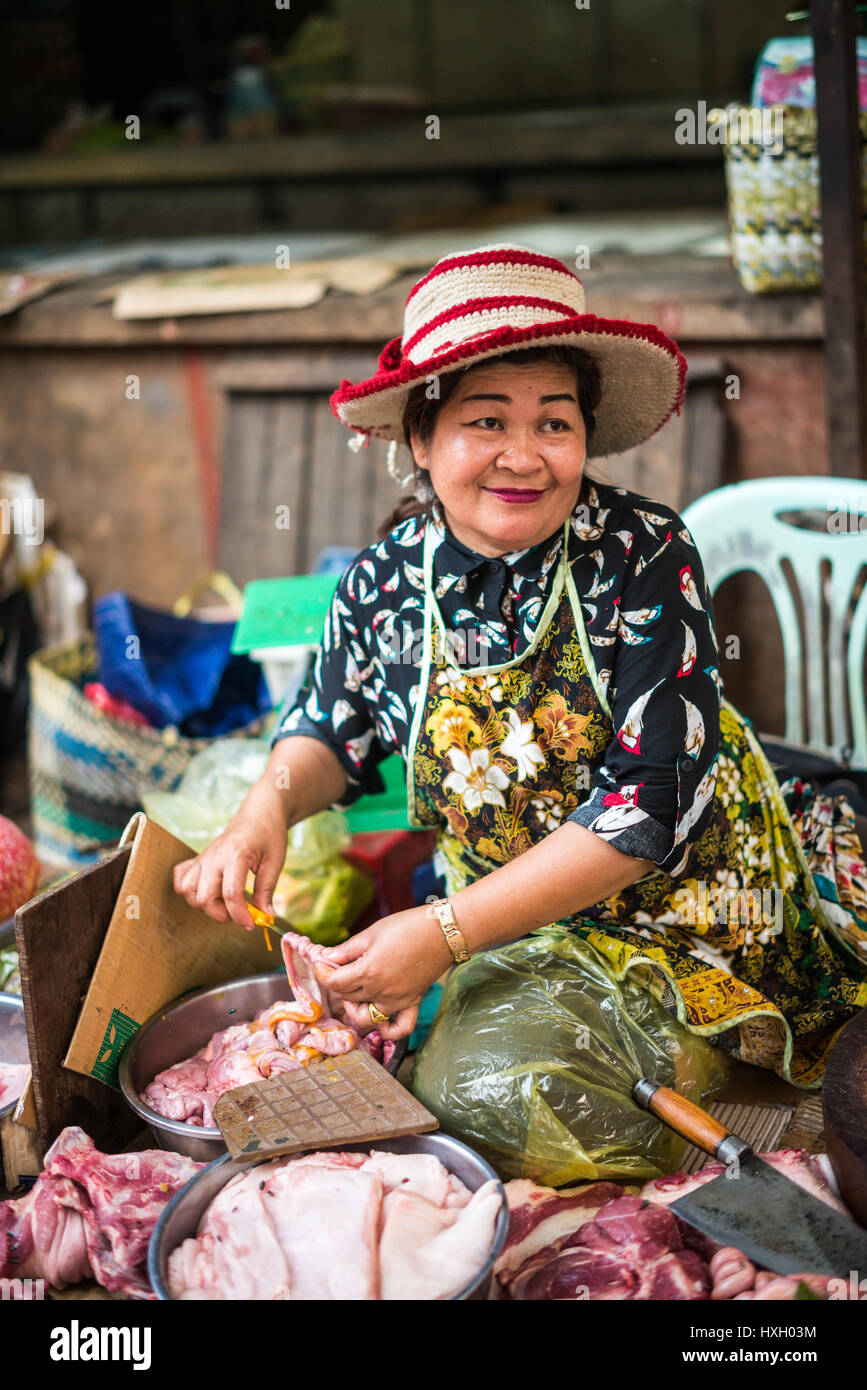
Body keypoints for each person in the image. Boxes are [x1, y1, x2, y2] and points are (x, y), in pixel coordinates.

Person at [174, 243, 867, 1089]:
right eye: (486, 419)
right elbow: (329, 723)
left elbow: (648, 805)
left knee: (499, 1093)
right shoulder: (383, 581)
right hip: (504, 921)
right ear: (421, 439)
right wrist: (262, 814)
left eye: (554, 421)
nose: (524, 455)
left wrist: (442, 935)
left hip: (690, 909)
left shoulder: (643, 553)